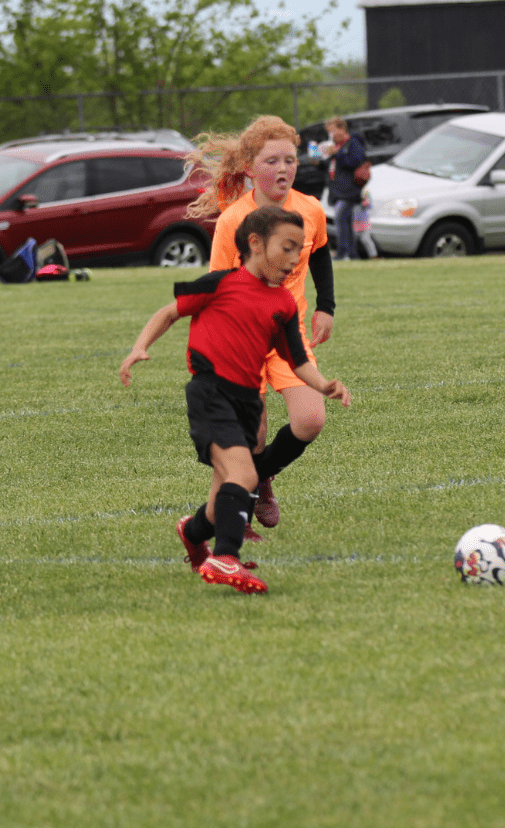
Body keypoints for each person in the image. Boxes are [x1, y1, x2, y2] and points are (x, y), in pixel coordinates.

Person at [119, 206, 352, 595]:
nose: (294, 260)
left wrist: (324, 385)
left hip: (247, 403)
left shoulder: (283, 303)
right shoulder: (220, 284)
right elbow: (169, 312)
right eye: (287, 248)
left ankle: (193, 534)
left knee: (219, 504)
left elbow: (296, 360)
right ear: (256, 244)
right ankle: (226, 557)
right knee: (245, 477)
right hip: (211, 393)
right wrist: (139, 347)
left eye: (299, 251)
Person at [188, 115, 338, 537]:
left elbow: (320, 252)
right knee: (249, 437)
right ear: (250, 168)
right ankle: (240, 509)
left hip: (289, 337)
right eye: (272, 161)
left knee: (310, 419)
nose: (283, 169)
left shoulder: (309, 209)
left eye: (290, 160)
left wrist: (325, 306)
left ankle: (261, 476)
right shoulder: (234, 221)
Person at [324, 116, 367, 261]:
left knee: (340, 217)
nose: (330, 135)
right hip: (338, 190)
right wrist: (320, 161)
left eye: (332, 131)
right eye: (328, 132)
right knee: (346, 221)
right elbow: (332, 167)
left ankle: (342, 252)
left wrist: (337, 154)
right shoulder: (336, 146)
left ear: (342, 129)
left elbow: (355, 161)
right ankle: (352, 253)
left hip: (349, 190)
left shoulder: (353, 143)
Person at [353, 189, 380, 260]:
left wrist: (365, 200)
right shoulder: (351, 190)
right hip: (353, 220)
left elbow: (371, 205)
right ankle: (351, 256)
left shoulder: (366, 191)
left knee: (365, 239)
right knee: (351, 240)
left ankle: (373, 256)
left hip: (364, 220)